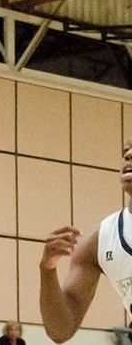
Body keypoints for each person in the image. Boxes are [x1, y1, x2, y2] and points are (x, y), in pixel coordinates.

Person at [40, 141, 132, 342]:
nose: (129, 155)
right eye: (126, 153)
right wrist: (47, 269)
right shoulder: (98, 240)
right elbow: (61, 330)